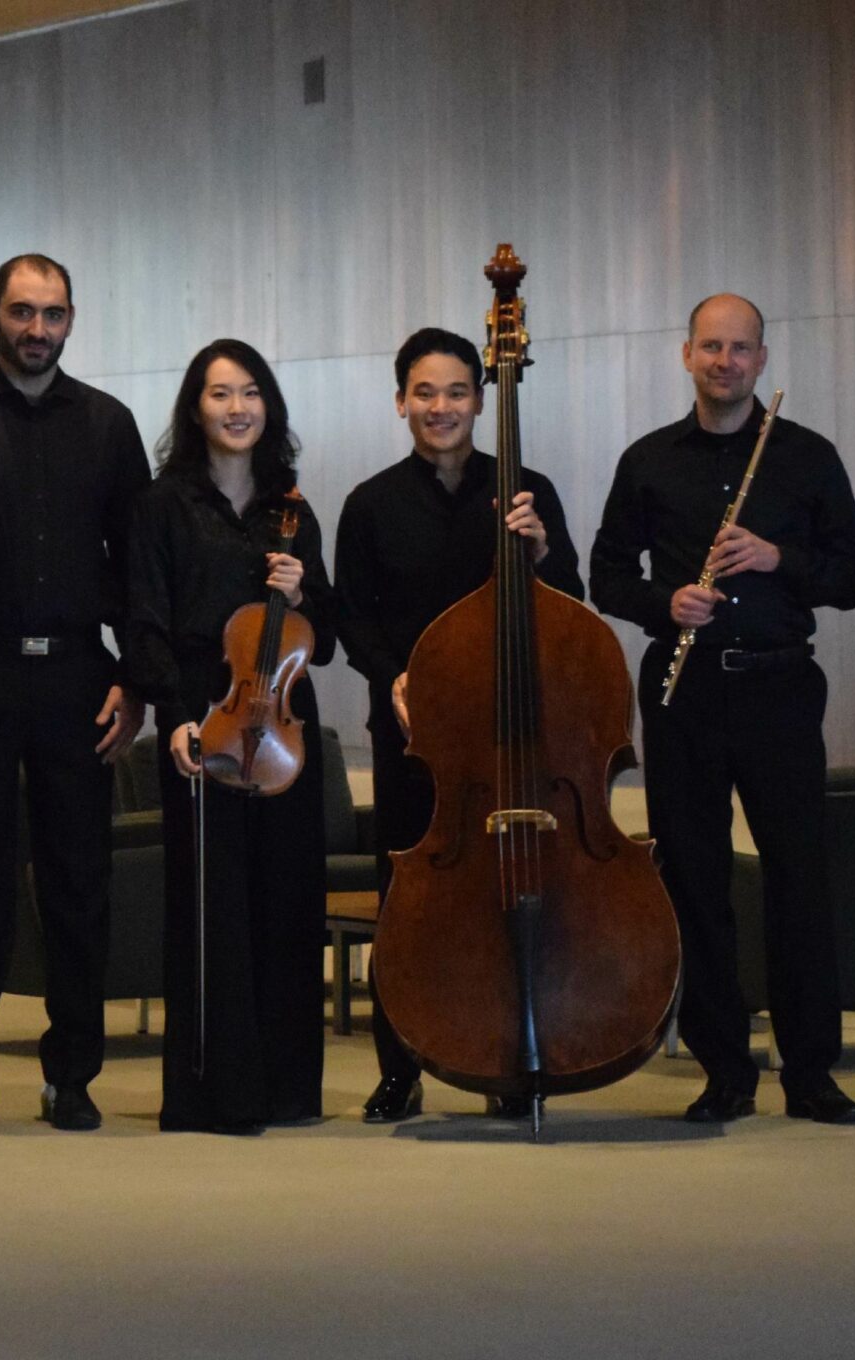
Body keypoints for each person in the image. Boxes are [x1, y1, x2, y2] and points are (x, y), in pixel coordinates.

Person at [589, 293, 855, 1126]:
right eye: (711, 347)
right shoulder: (648, 461)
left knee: (799, 876)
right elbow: (607, 574)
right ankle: (724, 1069)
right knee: (694, 877)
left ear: (762, 359)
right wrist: (664, 603)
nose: (725, 361)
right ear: (687, 355)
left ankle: (811, 1071)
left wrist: (779, 558)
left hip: (779, 684)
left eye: (740, 348)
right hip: (686, 690)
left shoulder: (808, 457)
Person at [0, 253, 150, 1132]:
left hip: (79, 677)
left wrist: (135, 677)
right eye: (22, 311)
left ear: (71, 320)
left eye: (52, 314)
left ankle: (72, 1076)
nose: (37, 329)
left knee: (78, 884)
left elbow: (136, 565)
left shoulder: (109, 424)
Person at [332, 326, 582, 1123]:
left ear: (481, 399)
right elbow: (350, 620)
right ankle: (399, 1069)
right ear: (400, 401)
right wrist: (394, 676)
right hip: (413, 736)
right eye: (424, 392)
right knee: (408, 902)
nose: (440, 407)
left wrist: (541, 551)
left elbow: (571, 606)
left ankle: (508, 1062)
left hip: (511, 736)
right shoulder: (369, 504)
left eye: (457, 391)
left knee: (506, 898)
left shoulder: (526, 490)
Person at [125, 339, 336, 1135]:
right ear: (195, 407)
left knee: (286, 902)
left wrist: (303, 591)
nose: (237, 407)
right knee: (211, 908)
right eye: (220, 393)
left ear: (268, 406)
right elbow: (144, 621)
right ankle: (215, 1092)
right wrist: (176, 713)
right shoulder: (162, 505)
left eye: (250, 392)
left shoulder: (293, 513)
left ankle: (286, 1090)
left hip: (283, 729)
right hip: (201, 722)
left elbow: (328, 638)